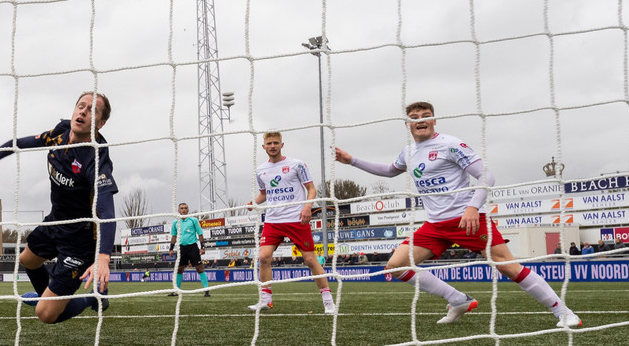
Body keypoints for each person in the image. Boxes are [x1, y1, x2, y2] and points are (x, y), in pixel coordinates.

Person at [335, 101, 580, 328]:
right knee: (396, 266)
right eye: (414, 117)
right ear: (407, 124)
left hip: (468, 219)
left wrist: (473, 207)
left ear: (434, 120)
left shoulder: (450, 144)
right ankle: (458, 299)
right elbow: (390, 171)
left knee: (508, 267)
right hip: (435, 225)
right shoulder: (408, 152)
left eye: (425, 116)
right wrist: (352, 160)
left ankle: (564, 313)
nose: (420, 120)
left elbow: (487, 176)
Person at [0, 92, 115, 324]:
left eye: (93, 110)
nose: (84, 111)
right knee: (28, 260)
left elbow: (107, 211)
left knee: (45, 315)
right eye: (81, 106)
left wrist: (104, 257)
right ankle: (47, 296)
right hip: (55, 223)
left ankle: (93, 298)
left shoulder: (95, 160)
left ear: (101, 123)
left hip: (80, 241)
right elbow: (23, 143)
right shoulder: (59, 134)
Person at [244, 132, 335, 314]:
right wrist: (254, 203)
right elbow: (264, 194)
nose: (272, 146)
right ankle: (266, 300)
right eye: (269, 143)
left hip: (296, 219)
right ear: (264, 147)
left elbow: (311, 188)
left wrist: (308, 206)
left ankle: (328, 301)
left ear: (282, 144)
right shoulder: (260, 170)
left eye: (276, 142)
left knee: (310, 260)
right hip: (273, 221)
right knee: (263, 258)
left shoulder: (296, 164)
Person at [169, 203, 210, 297]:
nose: (183, 210)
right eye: (182, 208)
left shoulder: (193, 220)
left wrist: (202, 247)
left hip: (192, 247)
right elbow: (174, 236)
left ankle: (206, 289)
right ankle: (177, 291)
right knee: (179, 269)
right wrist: (171, 248)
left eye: (185, 208)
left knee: (199, 268)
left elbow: (200, 234)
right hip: (181, 248)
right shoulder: (176, 222)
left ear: (188, 210)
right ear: (178, 210)